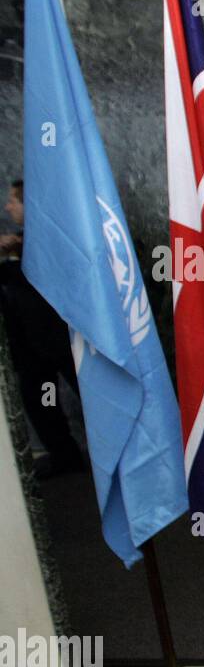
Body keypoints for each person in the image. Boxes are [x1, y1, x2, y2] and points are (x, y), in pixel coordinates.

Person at [0, 179, 85, 478]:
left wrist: (15, 250)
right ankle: (65, 456)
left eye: (14, 201)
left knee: (85, 392)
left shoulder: (46, 238)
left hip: (59, 337)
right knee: (42, 400)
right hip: (32, 344)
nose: (8, 206)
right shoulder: (19, 242)